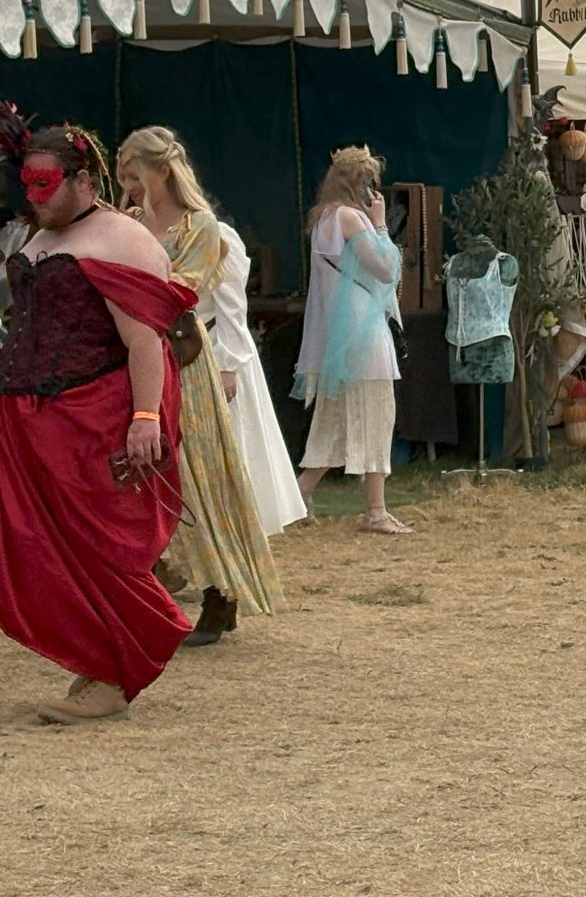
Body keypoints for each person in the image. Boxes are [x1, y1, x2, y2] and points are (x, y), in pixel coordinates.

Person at [0, 123, 198, 725]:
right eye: (28, 183)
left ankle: (119, 669)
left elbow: (146, 343)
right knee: (38, 544)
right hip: (26, 416)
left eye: (46, 183)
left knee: (99, 548)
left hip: (91, 413)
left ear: (84, 180)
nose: (34, 194)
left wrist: (146, 418)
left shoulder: (123, 238)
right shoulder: (40, 236)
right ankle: (97, 662)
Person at [118, 128, 283, 646]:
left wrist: (122, 281)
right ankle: (151, 581)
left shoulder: (202, 227)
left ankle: (221, 591)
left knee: (199, 474)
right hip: (130, 360)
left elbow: (181, 290)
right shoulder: (123, 223)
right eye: (121, 176)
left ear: (161, 171)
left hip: (184, 361)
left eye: (133, 174)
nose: (127, 185)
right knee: (143, 474)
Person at [294, 146, 411, 533]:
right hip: (364, 333)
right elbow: (384, 269)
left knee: (335, 421)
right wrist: (380, 225)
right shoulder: (352, 219)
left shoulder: (324, 218)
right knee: (375, 414)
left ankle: (299, 495)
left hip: (339, 336)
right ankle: (375, 511)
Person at [211, 220, 311, 535]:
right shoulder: (136, 226)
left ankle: (239, 527)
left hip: (215, 345)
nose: (132, 186)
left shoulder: (213, 233)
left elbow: (231, 306)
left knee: (237, 442)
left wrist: (228, 362)